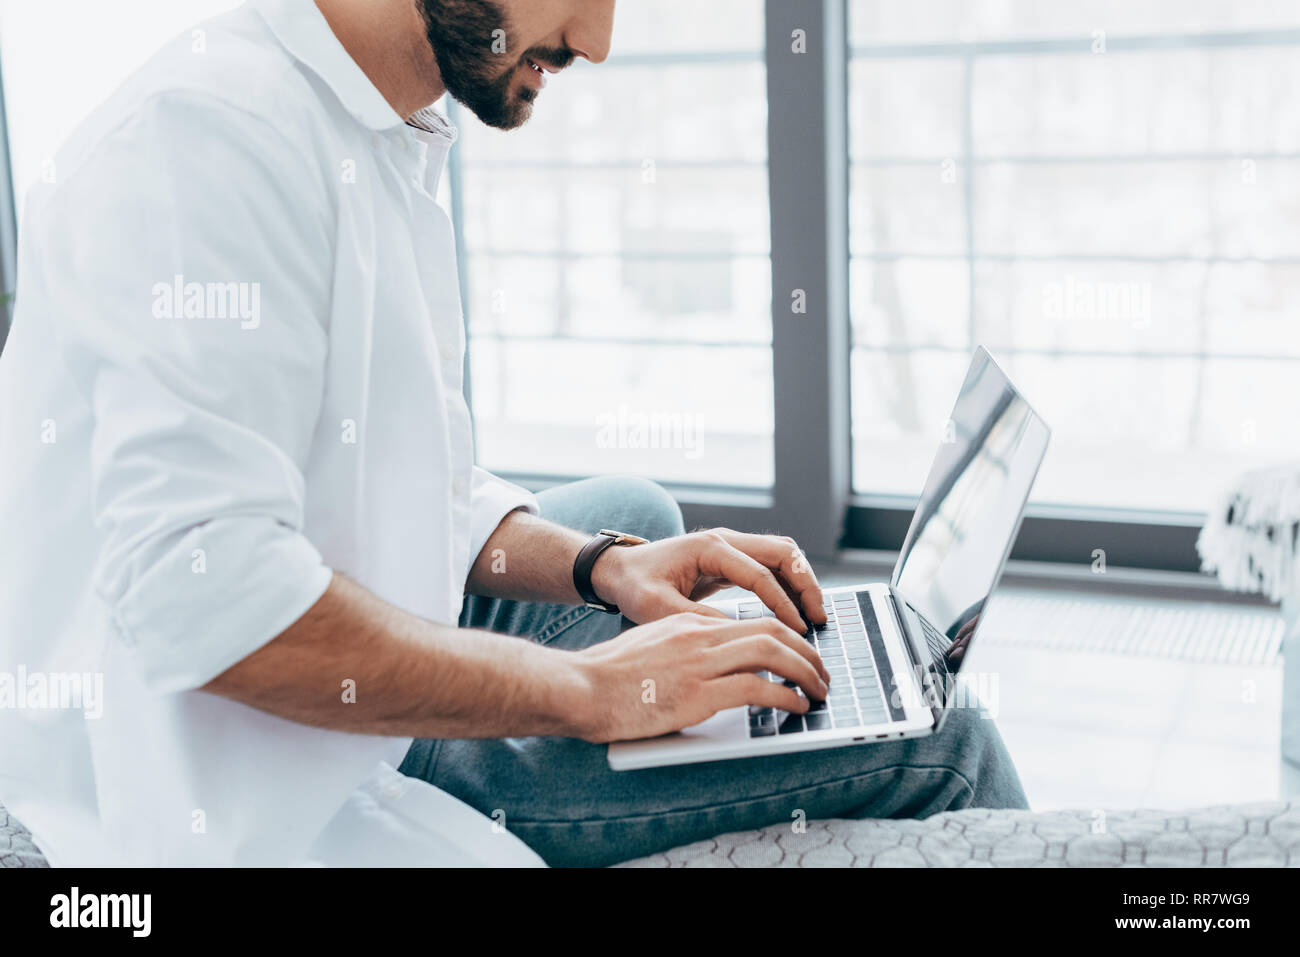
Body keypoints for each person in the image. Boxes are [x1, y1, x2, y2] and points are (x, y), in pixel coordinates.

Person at [0, 0, 1026, 867]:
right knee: (947, 743)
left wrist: (605, 568)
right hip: (261, 770)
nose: (598, 37)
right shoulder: (207, 144)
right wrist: (593, 693)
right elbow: (209, 598)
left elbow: (415, 478)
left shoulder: (382, 123)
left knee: (632, 513)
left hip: (340, 685)